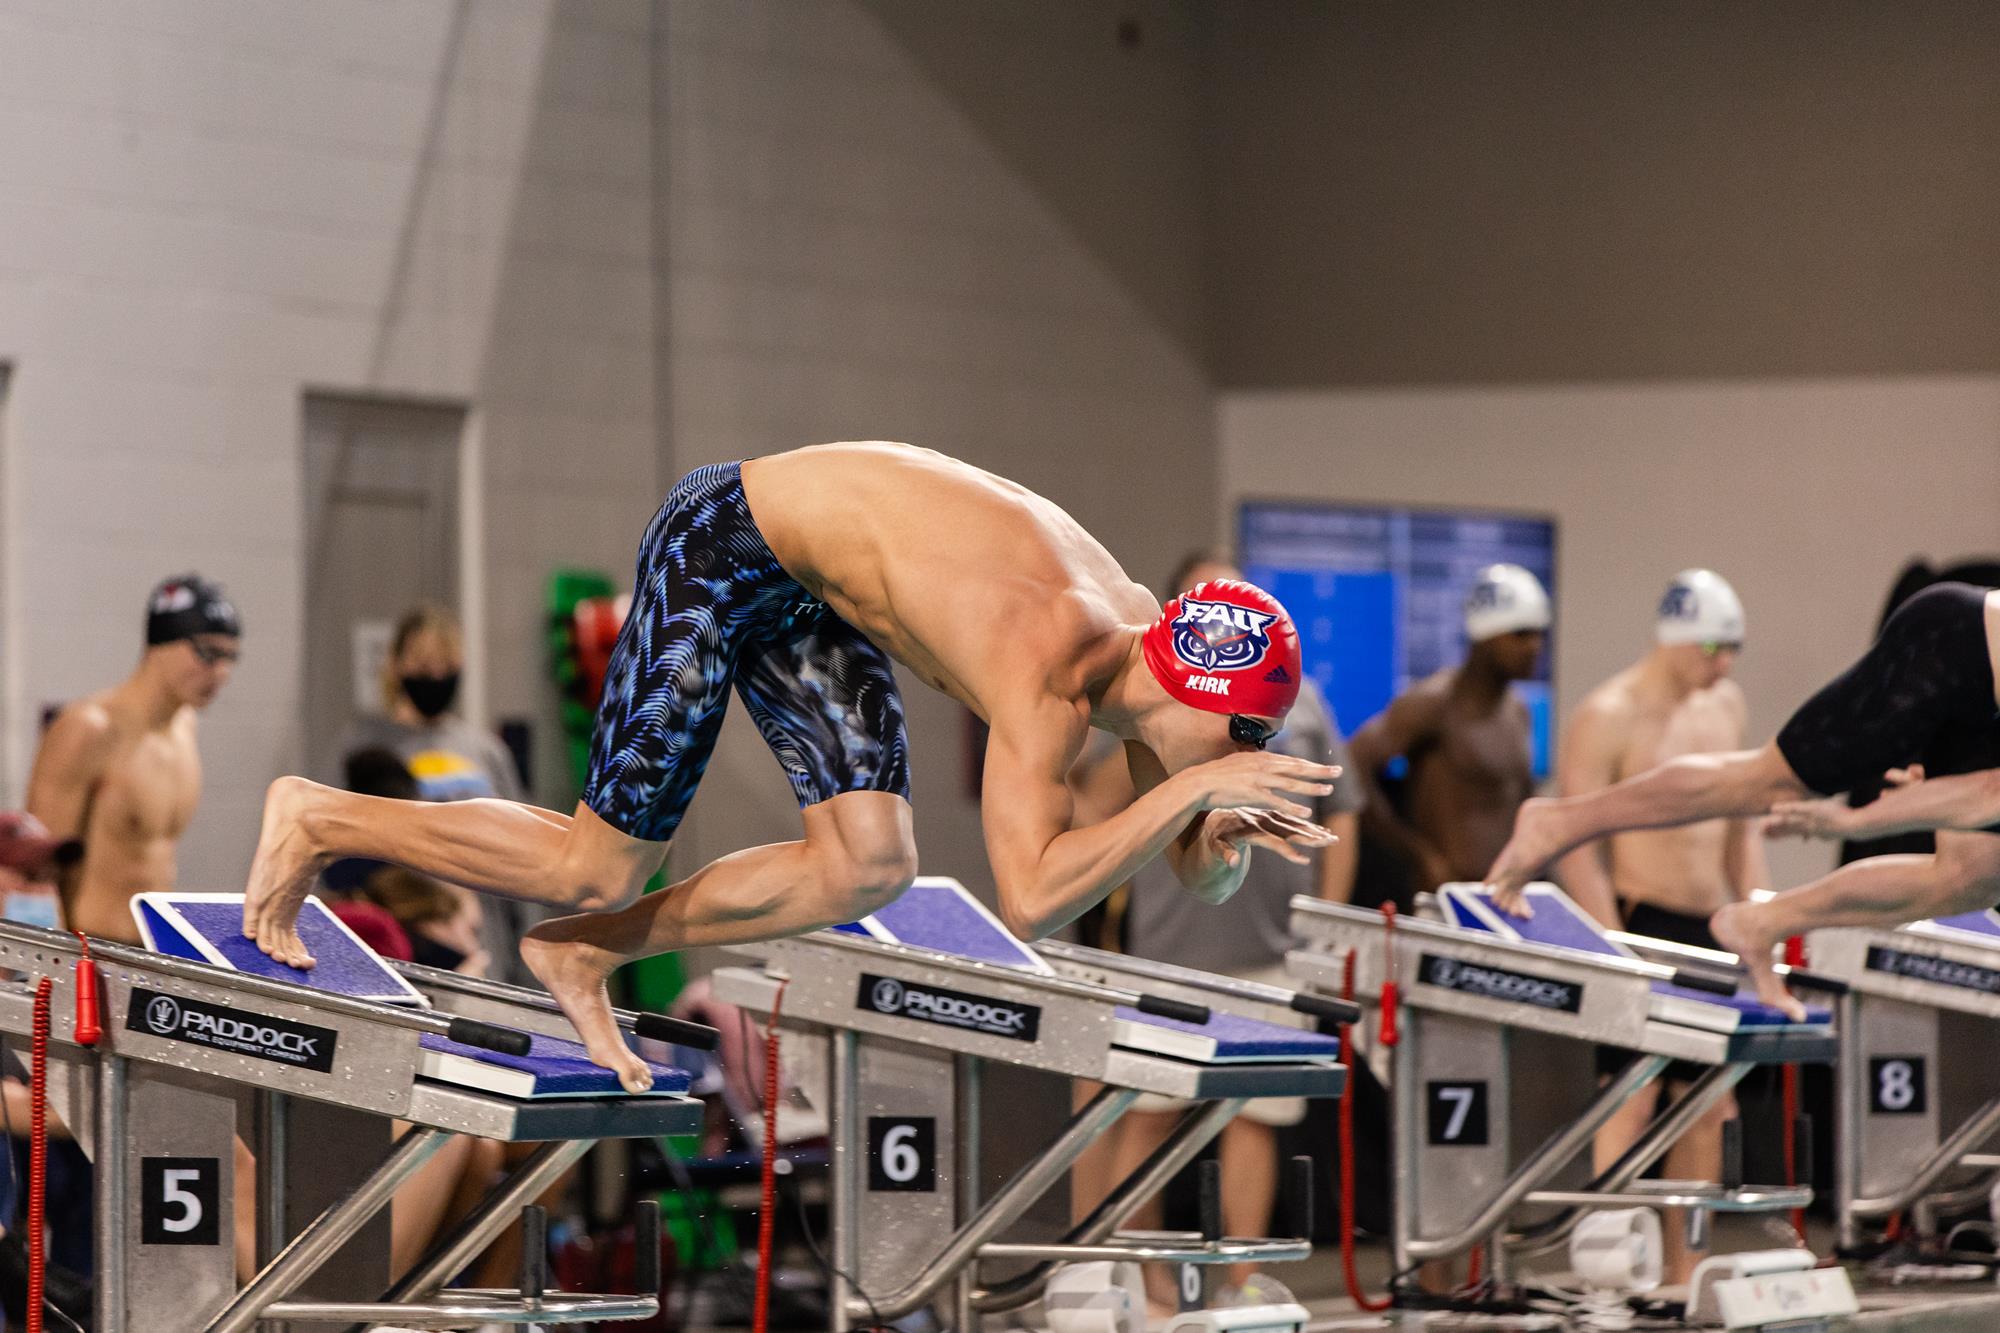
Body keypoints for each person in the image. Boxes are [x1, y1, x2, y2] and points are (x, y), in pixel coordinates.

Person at [240, 442, 1340, 1090]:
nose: (1247, 761)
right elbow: (1032, 897)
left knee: (870, 863)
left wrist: (1217, 823)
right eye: (1248, 739)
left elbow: (1201, 873)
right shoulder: (1052, 660)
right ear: (1203, 703)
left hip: (803, 587)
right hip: (723, 545)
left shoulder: (1155, 659)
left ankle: (580, 957)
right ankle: (320, 816)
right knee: (593, 861)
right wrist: (1196, 790)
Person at [1484, 581, 2000, 1020]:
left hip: (1986, 703)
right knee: (1771, 783)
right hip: (1952, 647)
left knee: (1970, 879)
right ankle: (1558, 822)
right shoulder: (1614, 710)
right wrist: (1855, 821)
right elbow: (1985, 796)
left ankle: (1764, 921)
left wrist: (1867, 820)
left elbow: (1984, 798)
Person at [1077, 552, 1363, 1311]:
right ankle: (1151, 1285)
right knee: (1147, 1116)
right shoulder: (1157, 707)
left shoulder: (1297, 703)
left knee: (1254, 1116)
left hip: (1270, 948)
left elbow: (1344, 815)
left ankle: (1238, 1282)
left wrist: (1322, 929)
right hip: (1171, 952)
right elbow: (1091, 805)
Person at [1558, 570, 1761, 1285]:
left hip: (1710, 926)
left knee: (1710, 1103)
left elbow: (1744, 816)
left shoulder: (1725, 702)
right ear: (1675, 634)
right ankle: (1605, 1268)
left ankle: (1686, 1271)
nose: (1724, 663)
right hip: (1640, 922)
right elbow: (1578, 838)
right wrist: (1612, 943)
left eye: (1733, 648)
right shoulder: (1608, 712)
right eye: (1713, 646)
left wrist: (1758, 910)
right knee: (1631, 1096)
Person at [28, 573, 241, 942]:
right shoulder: (89, 727)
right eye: (207, 652)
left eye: (230, 657)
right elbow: (37, 868)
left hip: (154, 955)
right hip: (90, 956)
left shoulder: (185, 727)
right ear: (156, 645)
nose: (221, 672)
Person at [334, 606, 539, 985]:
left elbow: (522, 851)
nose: (437, 678)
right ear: (397, 665)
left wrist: (529, 958)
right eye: (425, 666)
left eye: (447, 667)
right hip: (408, 941)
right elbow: (340, 852)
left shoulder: (485, 751)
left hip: (485, 939)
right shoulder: (366, 749)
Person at [1347, 563, 1549, 898]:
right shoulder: (1433, 704)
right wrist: (1419, 856)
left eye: (1539, 634)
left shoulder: (1517, 710)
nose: (1534, 646)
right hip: (1443, 903)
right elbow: (1353, 766)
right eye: (1520, 634)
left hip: (1502, 897)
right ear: (1485, 637)